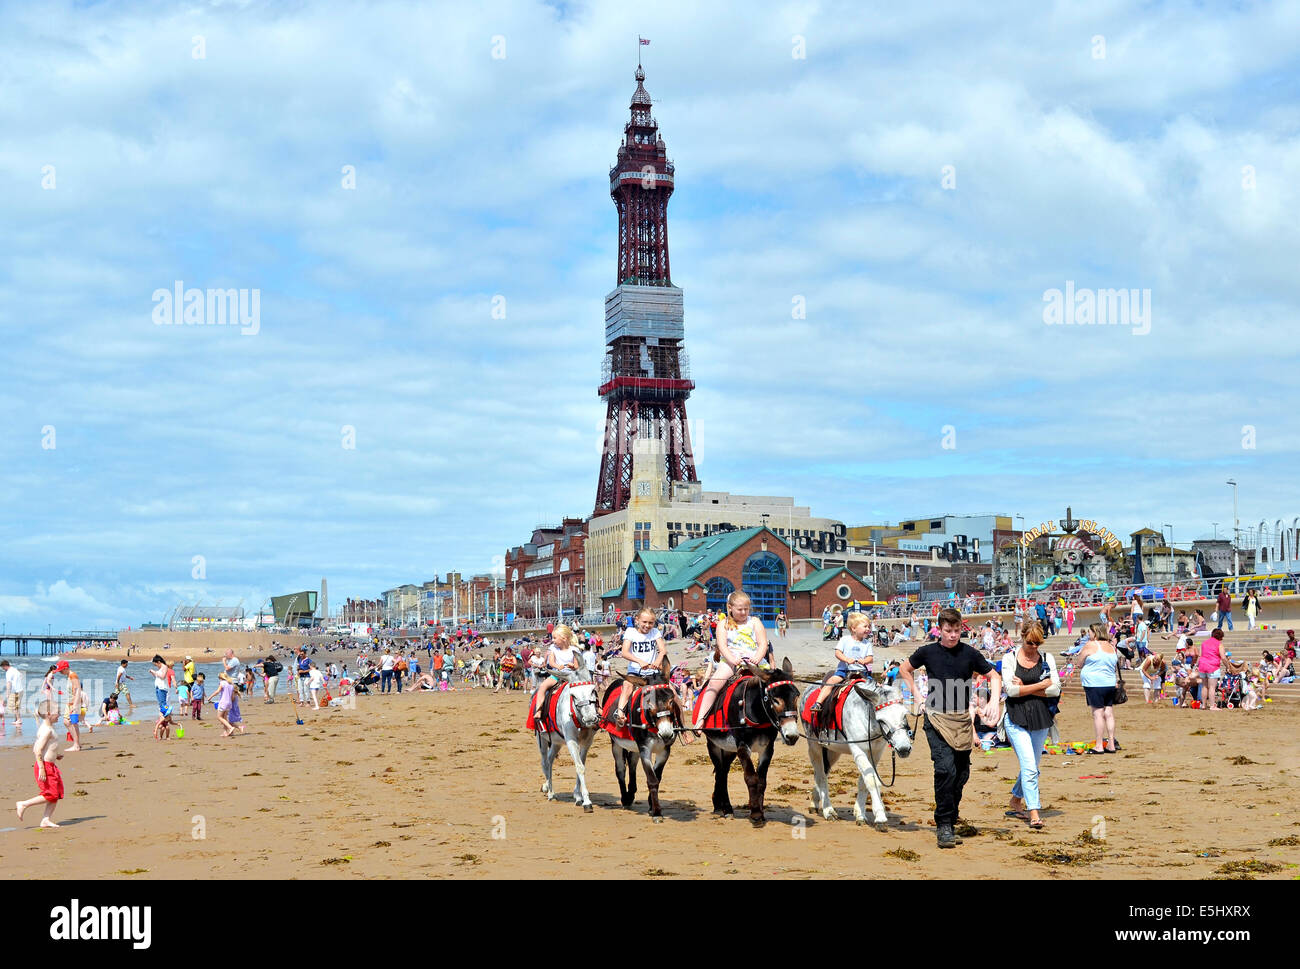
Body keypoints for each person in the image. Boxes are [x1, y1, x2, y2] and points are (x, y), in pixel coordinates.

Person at [898, 607, 1000, 848]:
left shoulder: (970, 653)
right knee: (945, 770)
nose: (953, 635)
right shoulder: (927, 652)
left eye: (956, 631)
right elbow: (905, 669)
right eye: (948, 631)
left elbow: (994, 676)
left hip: (962, 720)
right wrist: (917, 697)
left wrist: (994, 701)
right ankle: (944, 824)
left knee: (961, 774)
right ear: (939, 630)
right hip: (935, 719)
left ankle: (951, 817)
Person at [1002, 622, 1059, 829]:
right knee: (1029, 767)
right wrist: (1041, 685)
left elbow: (1055, 690)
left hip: (1041, 718)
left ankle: (1016, 800)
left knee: (1032, 768)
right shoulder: (1009, 658)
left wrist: (1025, 687)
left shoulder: (1047, 658)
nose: (1034, 647)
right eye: (1030, 643)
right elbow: (1010, 691)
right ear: (1022, 636)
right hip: (1016, 717)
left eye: (1038, 643)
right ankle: (1034, 811)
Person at [690, 592, 770, 733]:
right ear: (730, 607)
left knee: (776, 683)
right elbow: (722, 646)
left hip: (754, 660)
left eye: (746, 609)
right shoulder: (723, 624)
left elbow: (763, 643)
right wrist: (732, 659)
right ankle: (701, 719)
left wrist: (758, 657)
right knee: (714, 682)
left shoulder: (755, 621)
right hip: (731, 660)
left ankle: (779, 718)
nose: (744, 612)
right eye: (740, 609)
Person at [810, 611, 873, 716]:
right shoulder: (845, 640)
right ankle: (818, 703)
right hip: (844, 670)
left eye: (869, 626)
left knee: (875, 686)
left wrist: (864, 661)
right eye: (865, 626)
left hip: (862, 672)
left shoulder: (867, 643)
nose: (868, 629)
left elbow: (870, 658)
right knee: (831, 681)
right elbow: (837, 653)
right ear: (853, 628)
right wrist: (846, 659)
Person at [614, 609, 668, 725]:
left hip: (652, 674)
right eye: (644, 622)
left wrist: (658, 661)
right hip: (635, 672)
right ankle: (620, 714)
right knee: (627, 685)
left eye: (650, 623)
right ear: (637, 620)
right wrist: (639, 661)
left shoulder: (655, 632)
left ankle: (682, 727)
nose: (647, 625)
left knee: (671, 690)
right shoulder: (630, 632)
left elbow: (663, 650)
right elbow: (624, 652)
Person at [16, 701, 64, 829]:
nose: (59, 714)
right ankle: (24, 804)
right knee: (51, 794)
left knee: (57, 793)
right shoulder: (47, 730)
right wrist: (42, 768)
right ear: (49, 714)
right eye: (57, 712)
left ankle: (45, 820)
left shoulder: (46, 728)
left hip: (50, 765)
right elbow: (37, 751)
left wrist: (55, 755)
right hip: (45, 767)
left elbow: (37, 748)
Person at [1077, 623, 1120, 753]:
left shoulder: (1090, 645)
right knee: (1109, 713)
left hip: (1094, 683)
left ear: (1095, 633)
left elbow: (1079, 664)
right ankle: (1111, 743)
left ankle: (1099, 745)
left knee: (1098, 714)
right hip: (1109, 682)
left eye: (1090, 632)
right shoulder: (1111, 646)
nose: (1089, 634)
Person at [533, 625, 582, 721]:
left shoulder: (574, 650)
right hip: (556, 675)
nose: (553, 640)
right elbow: (551, 662)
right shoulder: (553, 649)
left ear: (564, 638)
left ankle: (597, 710)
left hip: (571, 676)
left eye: (555, 638)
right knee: (543, 686)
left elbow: (577, 666)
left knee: (586, 688)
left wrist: (572, 666)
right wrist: (557, 666)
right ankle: (539, 710)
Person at [1194, 628, 1226, 712]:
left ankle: (1203, 705)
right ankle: (1212, 706)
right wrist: (1228, 666)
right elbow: (1223, 657)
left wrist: (1197, 665)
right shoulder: (1219, 644)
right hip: (1213, 666)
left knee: (1204, 686)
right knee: (1212, 687)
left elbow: (1200, 656)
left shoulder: (1204, 643)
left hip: (1202, 666)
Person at [63, 662, 83, 752]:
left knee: (71, 722)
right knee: (68, 722)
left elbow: (78, 690)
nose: (60, 672)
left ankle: (76, 745)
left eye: (61, 670)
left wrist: (75, 705)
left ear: (66, 668)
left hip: (74, 703)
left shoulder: (73, 675)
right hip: (70, 703)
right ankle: (77, 744)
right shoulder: (69, 676)